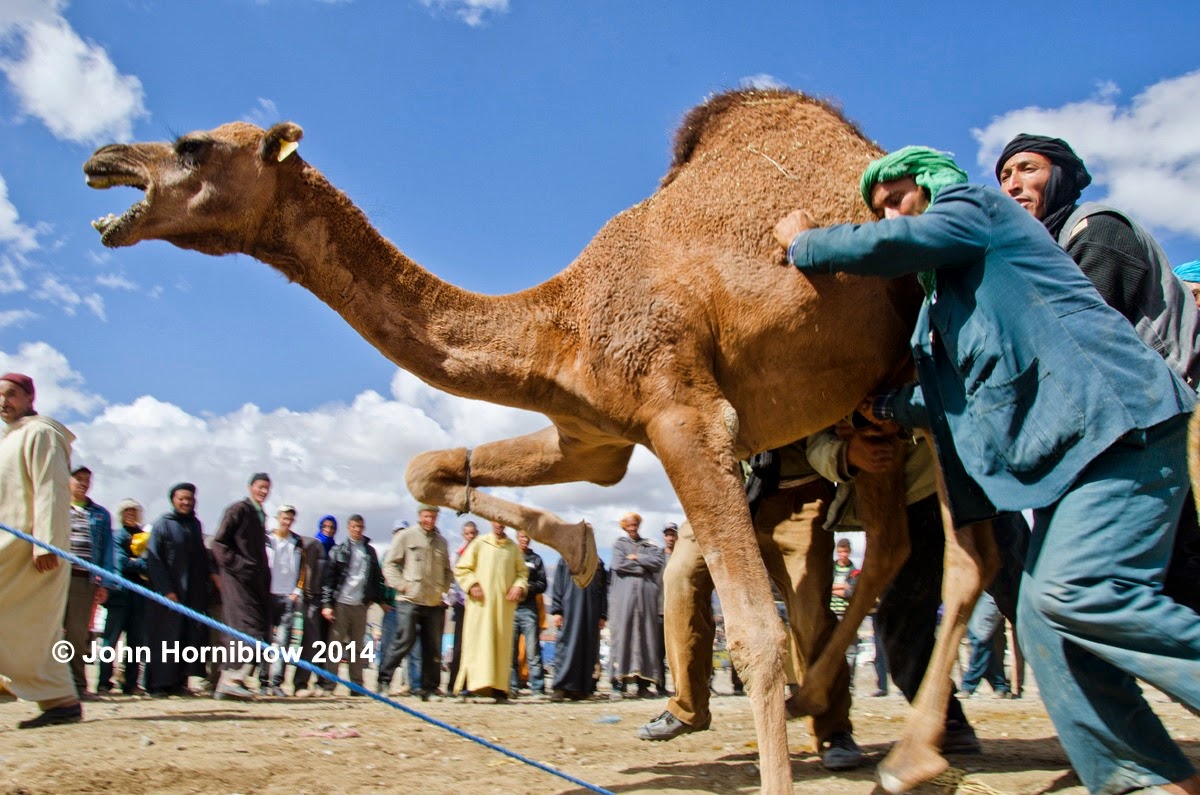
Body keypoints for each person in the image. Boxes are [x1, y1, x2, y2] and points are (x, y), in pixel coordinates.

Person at [774, 146, 1200, 795]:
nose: (889, 214)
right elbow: (956, 400)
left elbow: (897, 243)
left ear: (932, 185)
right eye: (878, 208)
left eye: (897, 197)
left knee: (1080, 591)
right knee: (1043, 622)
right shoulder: (942, 309)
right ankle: (1138, 778)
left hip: (1117, 424)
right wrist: (880, 407)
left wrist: (807, 243)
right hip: (1066, 459)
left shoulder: (977, 209)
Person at [996, 134, 1200, 614]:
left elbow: (1071, 350)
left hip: (1153, 433)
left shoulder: (1097, 231)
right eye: (1004, 176)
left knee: (1168, 580)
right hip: (1115, 437)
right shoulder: (1046, 253)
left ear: (1061, 176)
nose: (1012, 185)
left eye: (1027, 169)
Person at [0, 372, 83, 728]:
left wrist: (46, 543)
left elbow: (52, 488)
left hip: (30, 549)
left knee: (34, 625)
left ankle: (61, 700)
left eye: (11, 394)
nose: (3, 401)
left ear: (30, 398)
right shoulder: (9, 438)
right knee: (21, 625)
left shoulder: (41, 433)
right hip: (8, 547)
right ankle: (54, 697)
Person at [378, 505, 452, 699]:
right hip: (409, 599)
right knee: (403, 640)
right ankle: (384, 680)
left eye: (433, 516)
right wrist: (401, 585)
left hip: (433, 601)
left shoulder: (442, 542)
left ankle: (429, 688)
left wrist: (443, 589)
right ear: (420, 516)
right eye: (426, 516)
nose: (430, 520)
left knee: (432, 646)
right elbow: (389, 564)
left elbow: (447, 570)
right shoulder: (406, 536)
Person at [145, 483, 212, 698]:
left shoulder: (195, 525)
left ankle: (179, 682)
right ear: (173, 500)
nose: (186, 502)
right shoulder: (162, 525)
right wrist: (167, 591)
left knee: (187, 637)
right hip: (168, 594)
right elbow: (154, 561)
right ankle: (158, 684)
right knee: (165, 638)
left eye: (189, 499)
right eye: (181, 498)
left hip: (193, 593)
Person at [210, 473, 273, 701]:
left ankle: (234, 680)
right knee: (245, 628)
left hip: (255, 583)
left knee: (259, 628)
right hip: (237, 580)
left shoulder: (260, 515)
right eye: (260, 487)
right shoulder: (238, 510)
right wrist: (240, 565)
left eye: (267, 488)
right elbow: (218, 543)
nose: (264, 491)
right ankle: (229, 680)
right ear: (250, 487)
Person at [453, 521, 527, 702]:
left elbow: (522, 573)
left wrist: (519, 586)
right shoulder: (479, 543)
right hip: (480, 607)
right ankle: (469, 688)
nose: (499, 525)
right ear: (491, 522)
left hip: (503, 608)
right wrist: (472, 584)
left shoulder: (513, 548)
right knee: (476, 644)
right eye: (496, 521)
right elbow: (462, 568)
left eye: (503, 522)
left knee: (501, 647)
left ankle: (499, 690)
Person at [321, 514, 386, 695]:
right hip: (341, 603)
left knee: (357, 647)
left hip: (360, 605)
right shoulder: (338, 550)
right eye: (354, 526)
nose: (357, 530)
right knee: (335, 646)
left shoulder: (370, 552)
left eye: (360, 527)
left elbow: (376, 578)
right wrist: (327, 604)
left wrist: (375, 599)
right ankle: (329, 685)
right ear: (348, 528)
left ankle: (356, 686)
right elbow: (329, 580)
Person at [63, 465, 113, 698]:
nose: (83, 483)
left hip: (84, 580)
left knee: (77, 632)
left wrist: (104, 583)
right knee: (46, 630)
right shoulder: (55, 507)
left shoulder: (100, 515)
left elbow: (107, 552)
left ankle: (77, 685)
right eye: (78, 478)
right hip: (53, 577)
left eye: (87, 480)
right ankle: (43, 684)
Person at [608, 512, 665, 698]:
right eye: (629, 525)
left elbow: (657, 562)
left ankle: (643, 685)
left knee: (646, 637)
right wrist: (643, 567)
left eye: (635, 524)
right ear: (624, 527)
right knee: (622, 637)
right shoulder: (619, 545)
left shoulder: (649, 545)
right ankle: (619, 683)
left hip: (646, 602)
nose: (632, 528)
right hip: (623, 601)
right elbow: (618, 564)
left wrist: (636, 557)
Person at [97, 498, 149, 695]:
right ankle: (103, 682)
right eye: (127, 511)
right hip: (118, 594)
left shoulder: (145, 536)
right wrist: (139, 564)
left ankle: (131, 683)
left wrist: (137, 563)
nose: (130, 514)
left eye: (134, 511)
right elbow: (120, 562)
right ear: (121, 514)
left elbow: (151, 564)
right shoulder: (116, 536)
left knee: (136, 643)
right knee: (110, 641)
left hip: (140, 596)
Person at [549, 557, 607, 701]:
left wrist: (603, 614)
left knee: (586, 649)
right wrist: (557, 610)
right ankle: (560, 687)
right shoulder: (566, 558)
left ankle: (580, 689)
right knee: (566, 647)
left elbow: (603, 589)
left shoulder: (597, 562)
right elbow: (558, 584)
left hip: (591, 612)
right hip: (569, 610)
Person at [264, 504, 304, 696]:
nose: (287, 522)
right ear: (278, 518)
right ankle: (263, 680)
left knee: (283, 641)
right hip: (269, 595)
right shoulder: (267, 539)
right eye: (284, 518)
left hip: (288, 596)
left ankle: (276, 683)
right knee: (265, 640)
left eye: (290, 519)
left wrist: (297, 591)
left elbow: (303, 569)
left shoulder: (297, 542)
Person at [293, 518, 336, 697]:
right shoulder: (312, 545)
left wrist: (328, 603)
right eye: (325, 526)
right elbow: (305, 571)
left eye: (332, 527)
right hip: (311, 599)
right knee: (309, 642)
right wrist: (307, 595)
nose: (328, 529)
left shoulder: (335, 549)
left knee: (323, 643)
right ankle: (300, 683)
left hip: (328, 602)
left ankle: (321, 683)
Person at [509, 530, 547, 698]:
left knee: (533, 650)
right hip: (511, 607)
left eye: (527, 537)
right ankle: (512, 687)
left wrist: (527, 588)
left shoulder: (536, 559)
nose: (525, 540)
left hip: (529, 608)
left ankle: (537, 688)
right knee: (511, 650)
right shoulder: (510, 556)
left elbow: (542, 584)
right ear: (517, 537)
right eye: (522, 536)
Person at [958, 592, 1012, 699]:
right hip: (982, 598)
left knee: (979, 641)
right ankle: (999, 685)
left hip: (989, 597)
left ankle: (968, 685)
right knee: (985, 645)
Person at [447, 520, 478, 692]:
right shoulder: (457, 554)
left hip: (479, 605)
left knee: (476, 645)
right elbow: (453, 577)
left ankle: (473, 684)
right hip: (461, 604)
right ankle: (454, 684)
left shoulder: (482, 552)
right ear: (463, 534)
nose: (470, 536)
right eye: (467, 533)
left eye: (473, 533)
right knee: (459, 644)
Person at [830, 538, 860, 691]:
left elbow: (851, 593)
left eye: (845, 552)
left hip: (846, 613)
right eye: (840, 552)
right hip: (831, 613)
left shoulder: (854, 571)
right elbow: (824, 586)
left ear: (849, 552)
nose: (843, 555)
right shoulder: (830, 568)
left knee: (850, 649)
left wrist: (833, 587)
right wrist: (842, 586)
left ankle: (849, 681)